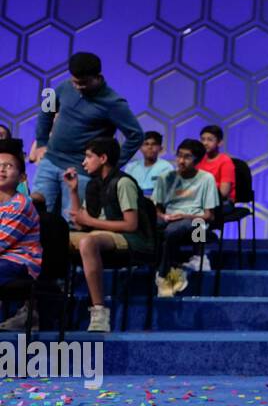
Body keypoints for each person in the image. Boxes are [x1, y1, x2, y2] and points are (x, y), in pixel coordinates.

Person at [30, 52, 144, 223]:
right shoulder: (63, 87)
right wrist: (41, 142)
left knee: (73, 222)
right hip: (50, 161)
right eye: (75, 82)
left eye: (83, 83)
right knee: (35, 217)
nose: (77, 87)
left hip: (80, 170)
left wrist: (111, 164)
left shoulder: (114, 103)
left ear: (98, 77)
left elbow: (136, 135)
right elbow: (46, 111)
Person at [64, 137, 154, 333]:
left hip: (132, 239)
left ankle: (99, 312)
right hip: (99, 234)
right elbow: (81, 222)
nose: (83, 162)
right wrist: (73, 191)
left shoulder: (123, 182)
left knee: (88, 242)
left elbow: (131, 225)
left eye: (88, 157)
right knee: (54, 238)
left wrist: (90, 223)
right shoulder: (93, 185)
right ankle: (42, 305)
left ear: (103, 158)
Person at [151, 138, 218, 297]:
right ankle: (166, 271)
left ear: (197, 160)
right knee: (154, 226)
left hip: (196, 220)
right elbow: (156, 208)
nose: (181, 161)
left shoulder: (206, 179)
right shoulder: (166, 178)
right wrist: (163, 216)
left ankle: (167, 274)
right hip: (170, 218)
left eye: (187, 157)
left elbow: (209, 216)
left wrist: (184, 215)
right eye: (179, 155)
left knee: (187, 227)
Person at [0, 139, 41, 331]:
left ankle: (28, 313)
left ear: (23, 177)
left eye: (8, 166)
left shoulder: (21, 204)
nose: (2, 170)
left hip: (19, 263)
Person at [196, 124, 236, 210]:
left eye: (210, 140)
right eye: (202, 139)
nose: (205, 143)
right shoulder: (199, 159)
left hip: (223, 202)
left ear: (220, 143)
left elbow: (223, 193)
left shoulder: (225, 161)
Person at [124, 130, 174, 197]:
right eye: (146, 144)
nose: (150, 147)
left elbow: (166, 193)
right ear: (140, 148)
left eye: (154, 144)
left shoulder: (166, 167)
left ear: (160, 148)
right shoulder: (131, 167)